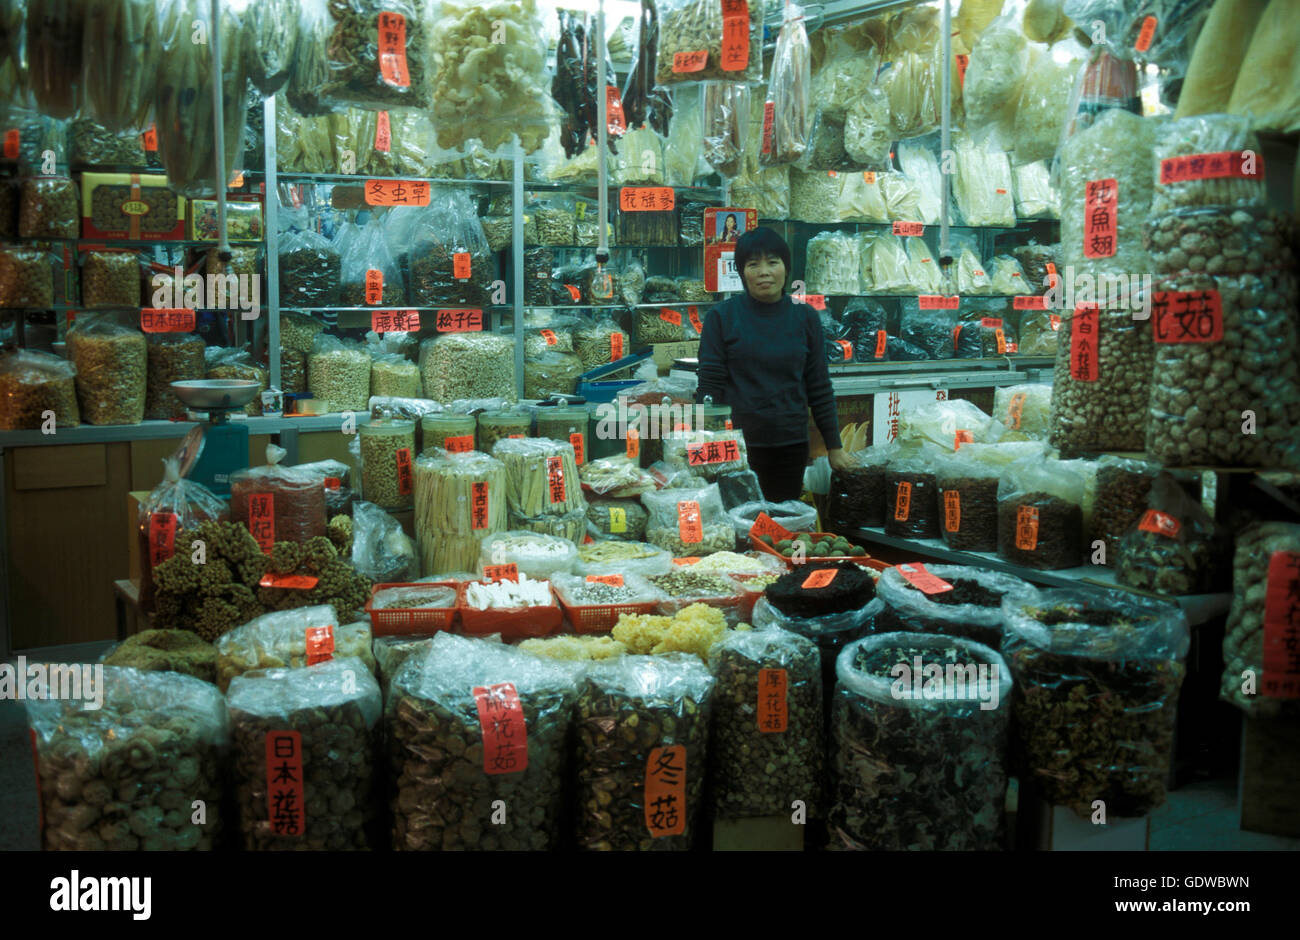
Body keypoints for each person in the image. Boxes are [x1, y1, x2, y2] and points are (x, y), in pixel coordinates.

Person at [696, 226, 852, 502]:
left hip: (789, 444)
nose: (764, 271)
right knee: (738, 529)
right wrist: (706, 438)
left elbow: (819, 386)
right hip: (736, 447)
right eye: (753, 264)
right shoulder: (721, 317)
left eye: (773, 262)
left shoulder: (805, 317)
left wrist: (834, 446)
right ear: (742, 272)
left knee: (782, 527)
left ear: (786, 267)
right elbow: (710, 383)